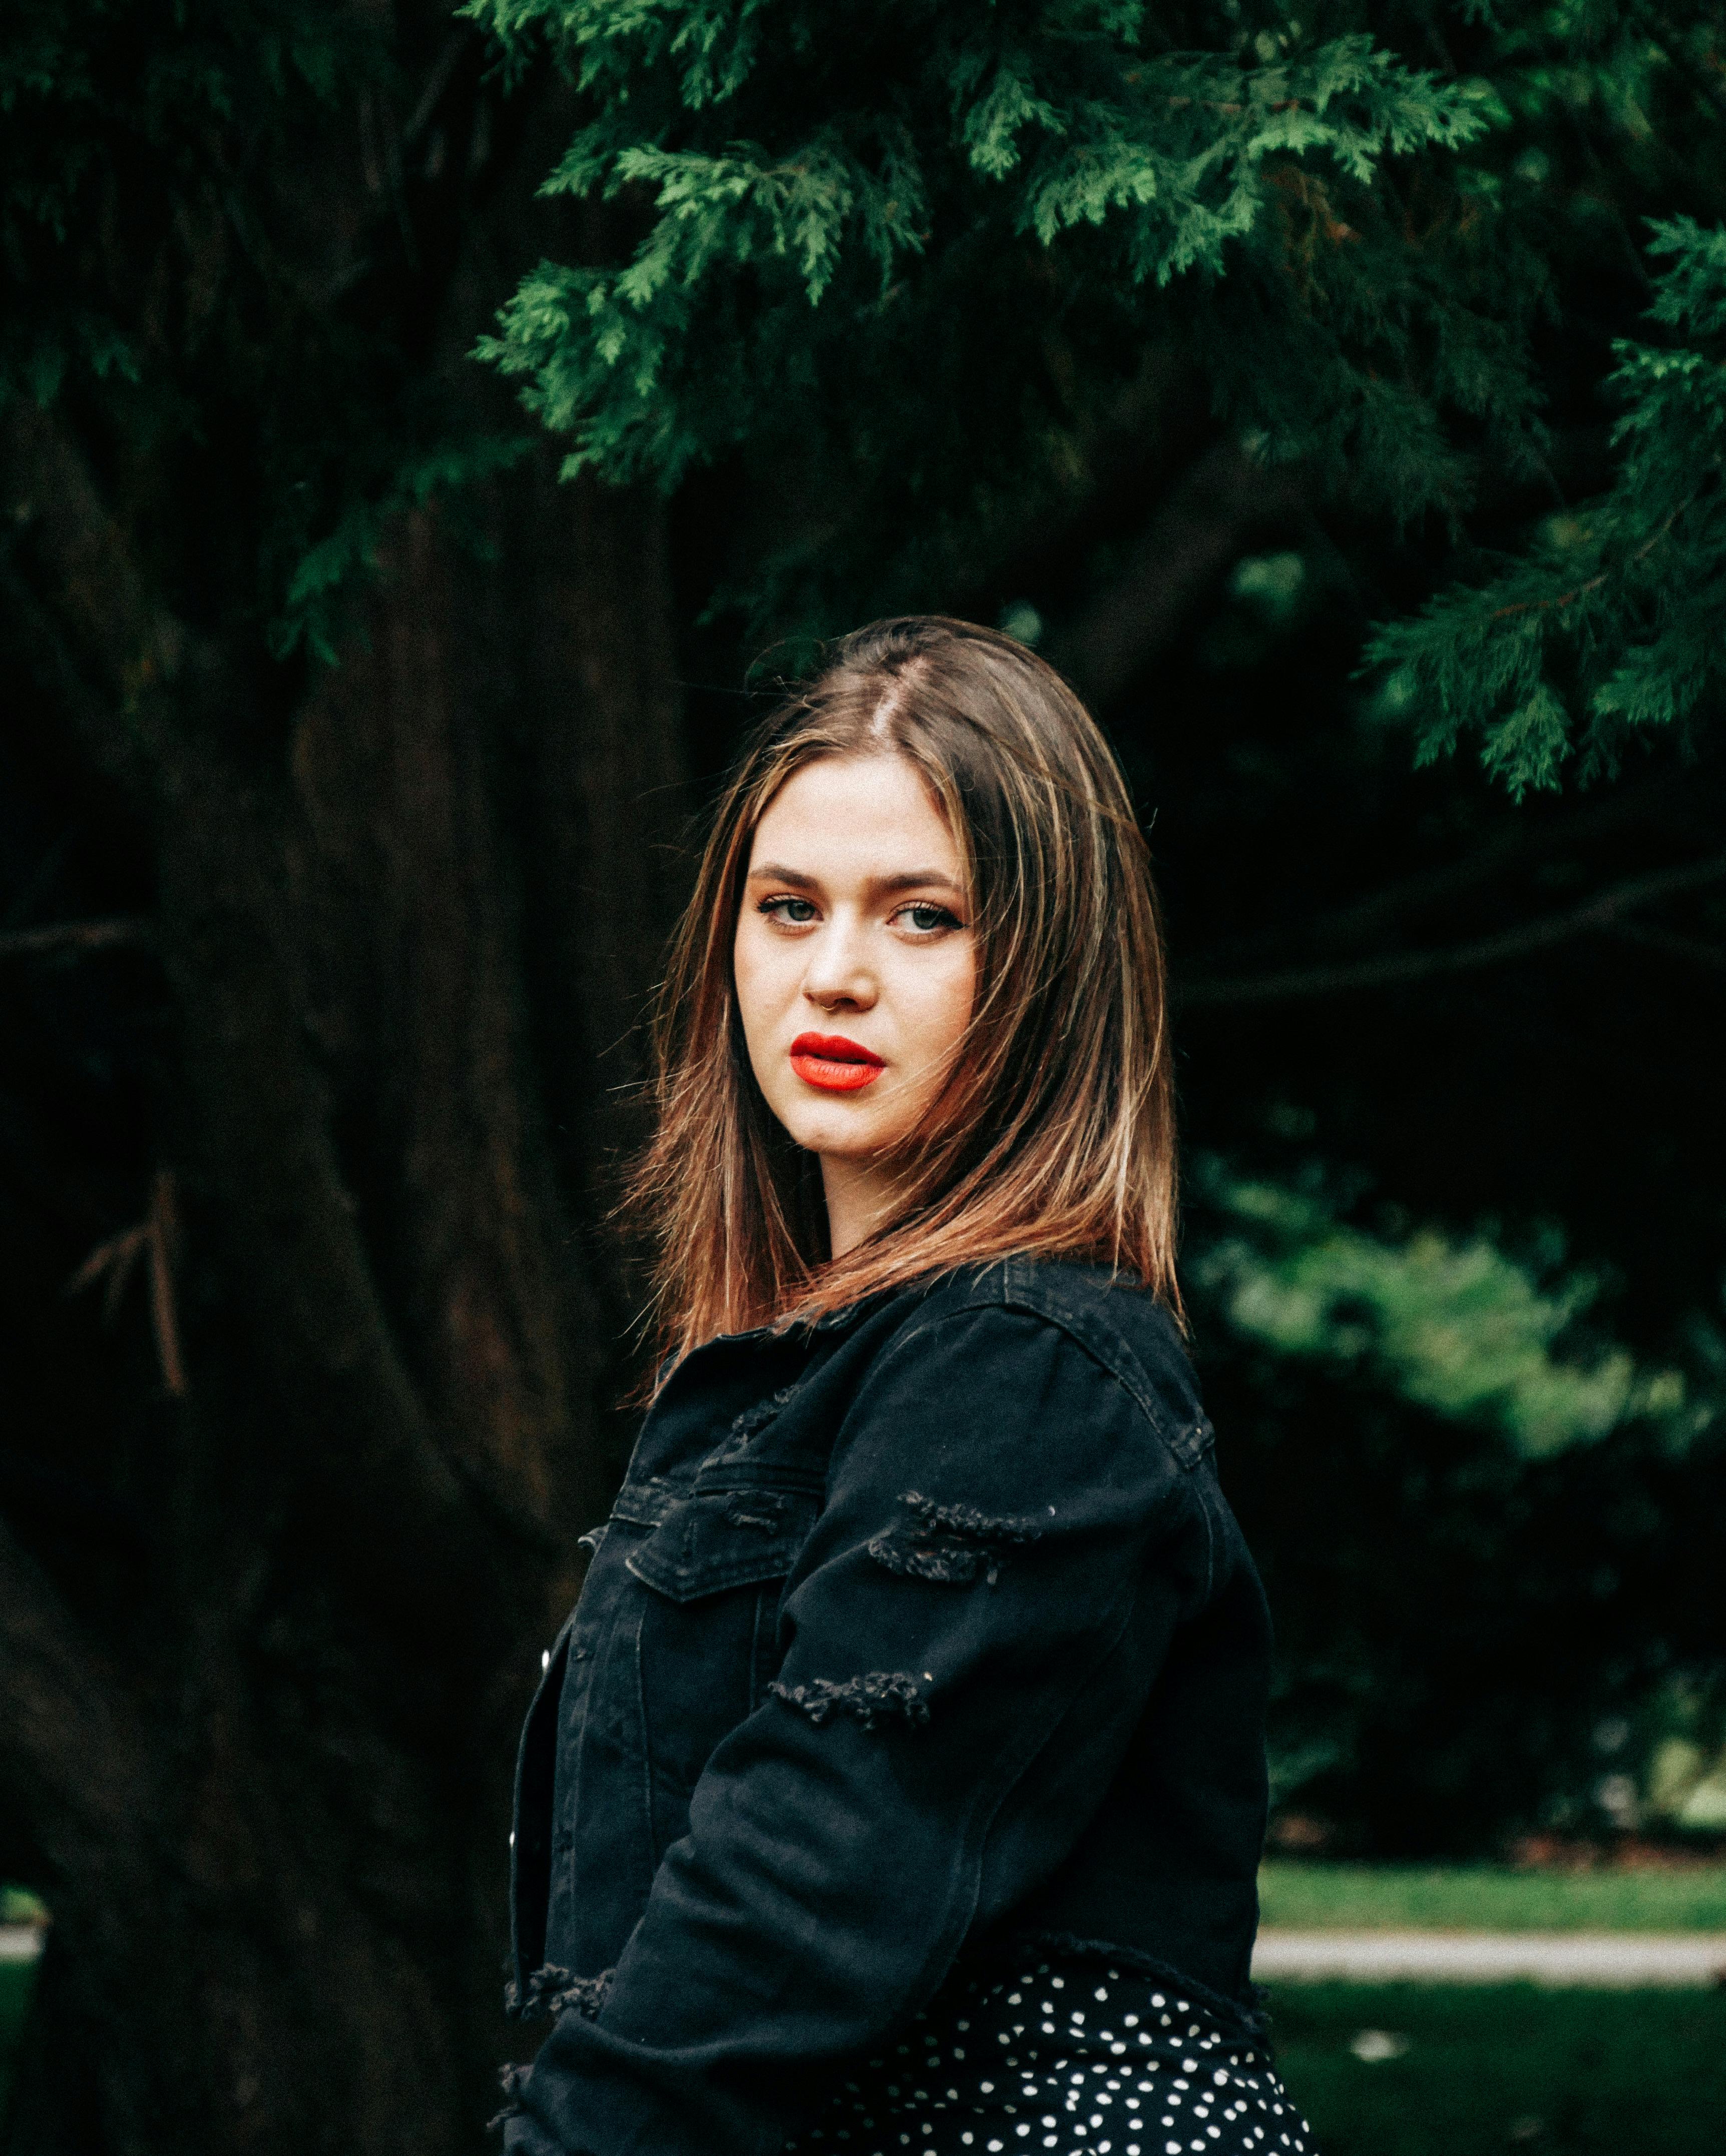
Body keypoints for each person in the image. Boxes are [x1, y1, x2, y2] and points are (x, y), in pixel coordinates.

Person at [497, 618, 1315, 2156]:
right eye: (786, 906)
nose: (835, 974)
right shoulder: (821, 1373)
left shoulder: (1030, 1366)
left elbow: (812, 1862)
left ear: (1049, 968)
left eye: (923, 916)